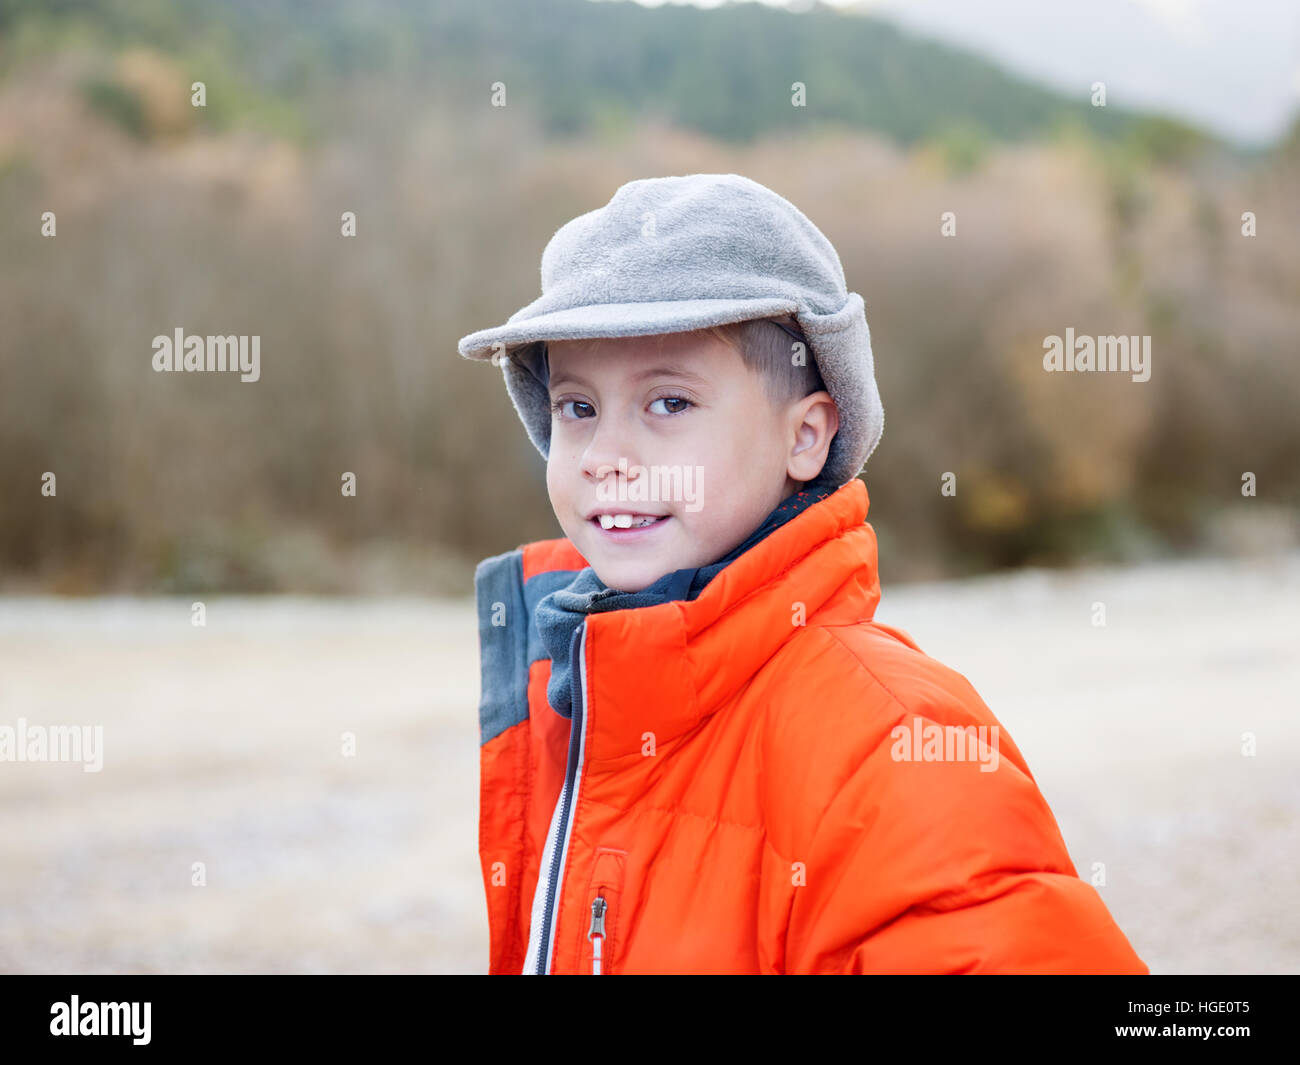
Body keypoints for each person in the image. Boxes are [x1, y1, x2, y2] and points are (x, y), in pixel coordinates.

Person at [456, 173, 1148, 975]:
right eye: (579, 408)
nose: (607, 457)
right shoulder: (582, 695)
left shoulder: (890, 744)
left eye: (669, 403)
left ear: (806, 437)